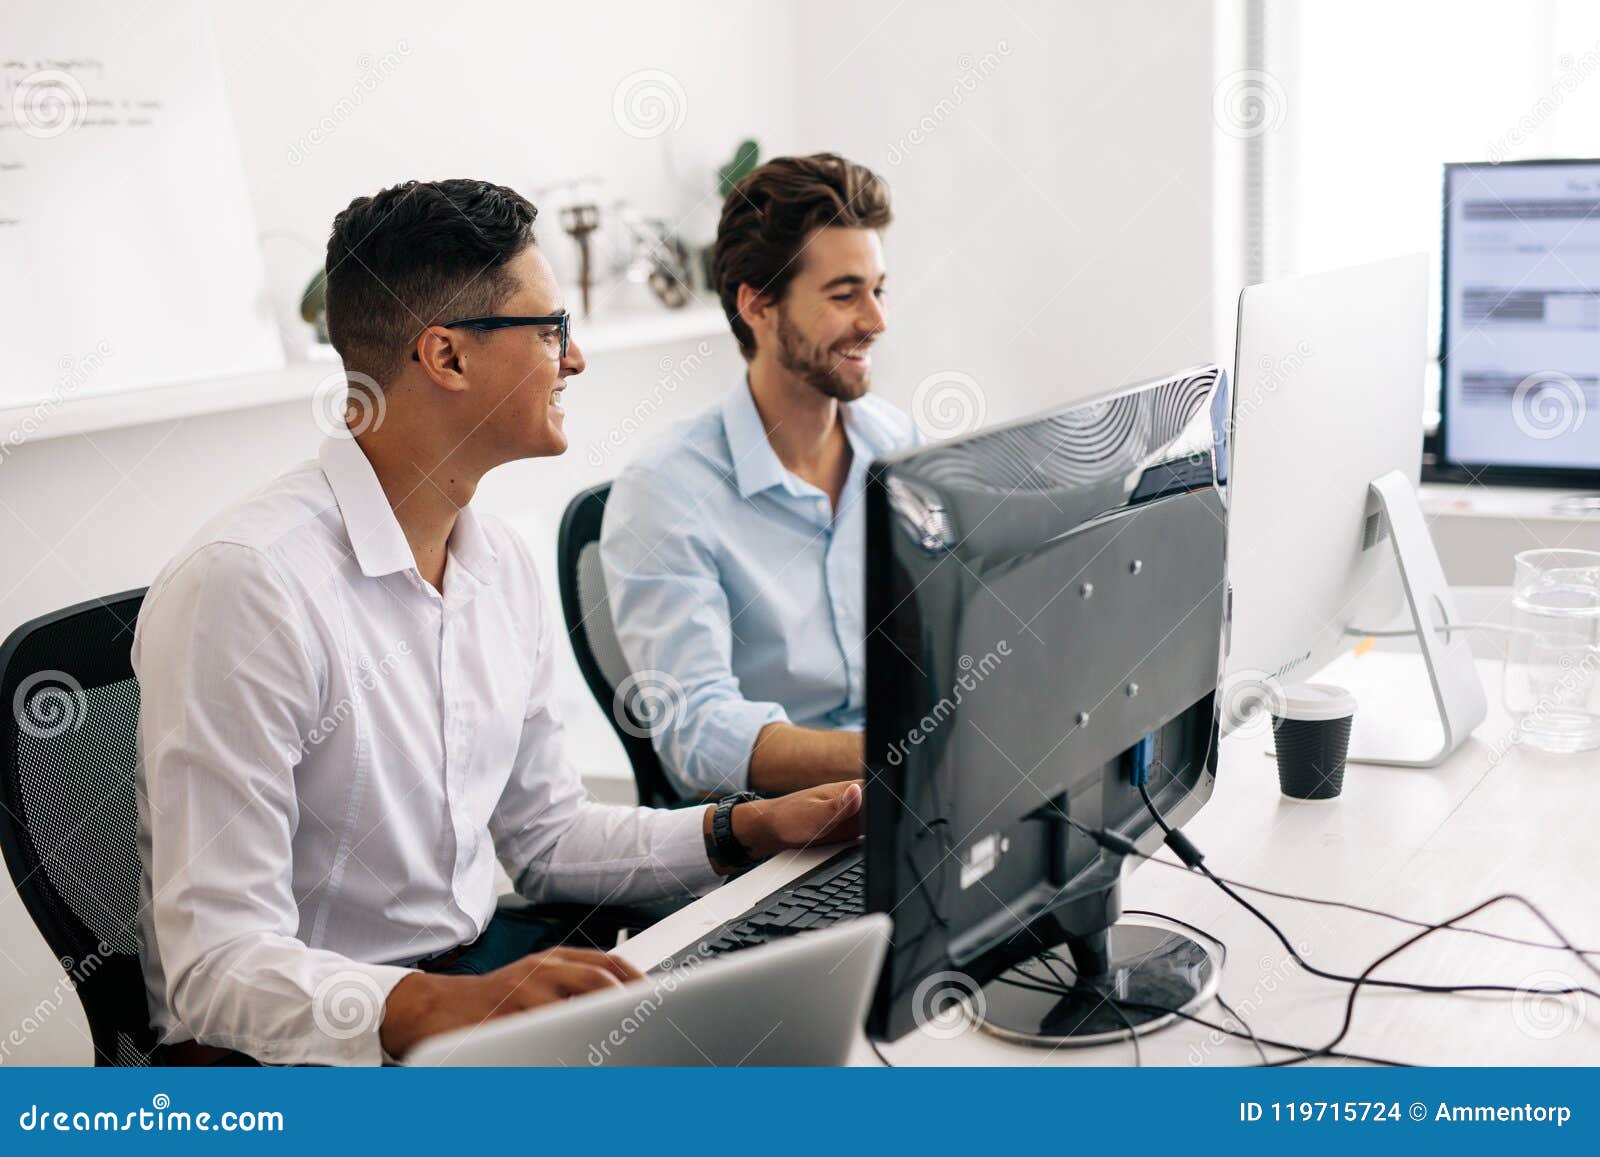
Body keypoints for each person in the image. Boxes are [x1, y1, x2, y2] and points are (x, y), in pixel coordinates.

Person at [133, 178, 862, 1067]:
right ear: (445, 357)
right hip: (298, 1056)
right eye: (552, 330)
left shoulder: (498, 562)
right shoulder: (248, 586)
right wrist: (443, 1007)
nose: (576, 359)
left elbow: (547, 835)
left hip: (475, 980)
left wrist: (743, 827)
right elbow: (216, 964)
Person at [601, 154, 920, 799]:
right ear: (759, 307)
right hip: (777, 837)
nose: (876, 320)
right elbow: (699, 736)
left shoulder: (900, 447)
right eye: (844, 294)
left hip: (912, 805)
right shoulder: (665, 491)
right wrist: (906, 757)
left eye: (878, 289)